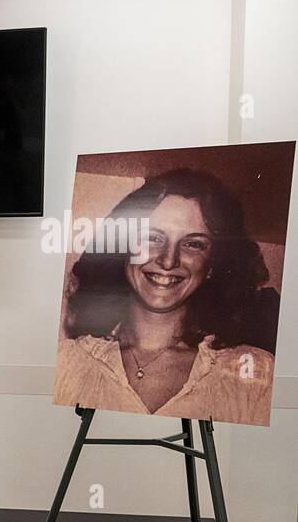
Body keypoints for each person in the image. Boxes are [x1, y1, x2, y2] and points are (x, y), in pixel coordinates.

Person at [54, 168, 276, 426]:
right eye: (152, 237)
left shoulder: (257, 374)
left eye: (193, 244)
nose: (168, 260)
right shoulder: (69, 362)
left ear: (214, 265)